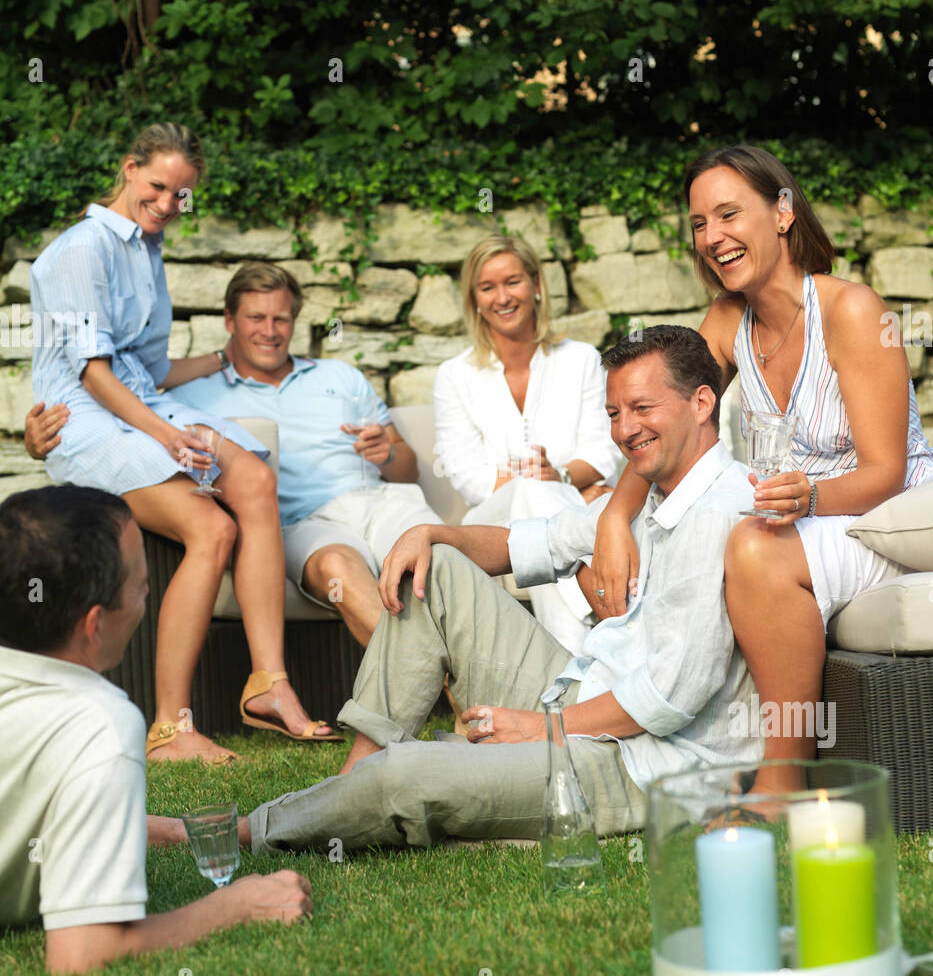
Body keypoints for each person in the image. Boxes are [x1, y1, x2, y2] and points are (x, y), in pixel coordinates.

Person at [150, 327, 763, 856]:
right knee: (436, 568)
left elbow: (670, 699)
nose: (625, 430)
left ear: (702, 402)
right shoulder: (651, 496)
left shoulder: (719, 513)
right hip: (586, 695)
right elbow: (536, 542)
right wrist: (432, 532)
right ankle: (357, 772)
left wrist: (539, 729)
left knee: (410, 774)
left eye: (642, 409)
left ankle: (239, 831)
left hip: (644, 766)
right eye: (613, 414)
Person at [590, 145, 933, 782]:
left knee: (753, 544)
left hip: (882, 512)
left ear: (782, 213)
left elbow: (886, 471)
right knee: (690, 521)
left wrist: (805, 500)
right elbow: (666, 418)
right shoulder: (729, 320)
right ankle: (624, 714)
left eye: (728, 214)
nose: (712, 237)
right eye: (699, 223)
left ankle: (782, 780)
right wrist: (613, 520)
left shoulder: (853, 312)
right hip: (796, 506)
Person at [27, 124, 331, 763]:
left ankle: (269, 683)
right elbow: (93, 372)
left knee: (254, 480)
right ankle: (171, 727)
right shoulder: (85, 249)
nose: (168, 204)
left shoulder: (146, 248)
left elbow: (149, 370)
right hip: (85, 417)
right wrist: (167, 435)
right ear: (130, 168)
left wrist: (225, 357)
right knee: (212, 530)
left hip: (139, 404)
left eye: (181, 194)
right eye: (158, 187)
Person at [27, 262, 442, 652]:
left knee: (438, 563)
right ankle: (452, 687)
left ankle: (460, 689)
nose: (270, 331)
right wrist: (39, 440)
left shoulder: (342, 376)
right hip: (302, 523)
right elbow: (110, 423)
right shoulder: (189, 397)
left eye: (281, 319)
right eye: (255, 318)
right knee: (339, 570)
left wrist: (387, 454)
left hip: (381, 502)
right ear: (230, 321)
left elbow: (408, 469)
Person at [0, 486, 313, 975]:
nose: (148, 596)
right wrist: (238, 905)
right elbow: (82, 956)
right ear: (94, 625)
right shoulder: (96, 723)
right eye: (144, 588)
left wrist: (188, 832)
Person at [433, 235, 621, 653]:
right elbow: (467, 478)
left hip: (563, 507)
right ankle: (605, 611)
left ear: (536, 284)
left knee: (542, 501)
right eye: (487, 287)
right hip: (490, 522)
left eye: (512, 282)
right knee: (537, 494)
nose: (502, 297)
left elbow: (603, 450)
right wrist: (557, 486)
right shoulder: (454, 375)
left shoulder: (582, 359)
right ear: (475, 299)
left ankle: (568, 665)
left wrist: (562, 476)